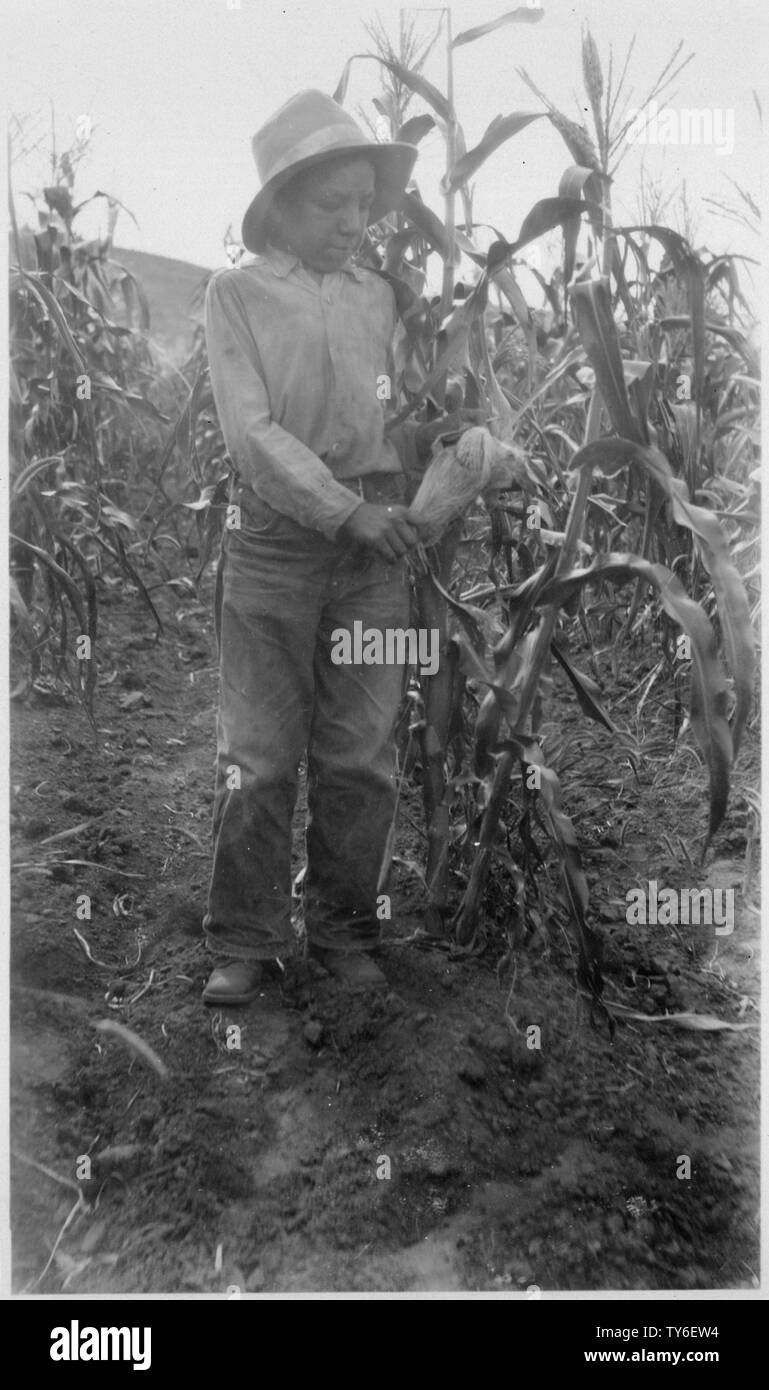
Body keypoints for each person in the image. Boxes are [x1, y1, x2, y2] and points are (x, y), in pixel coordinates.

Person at [201, 90, 427, 1004]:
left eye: (364, 202)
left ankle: (343, 932)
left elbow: (417, 411)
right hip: (277, 548)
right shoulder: (237, 296)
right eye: (331, 202)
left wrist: (456, 456)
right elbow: (251, 435)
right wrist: (342, 512)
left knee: (360, 757)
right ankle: (246, 940)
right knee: (257, 760)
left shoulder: (386, 300)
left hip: (375, 554)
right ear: (281, 207)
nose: (352, 222)